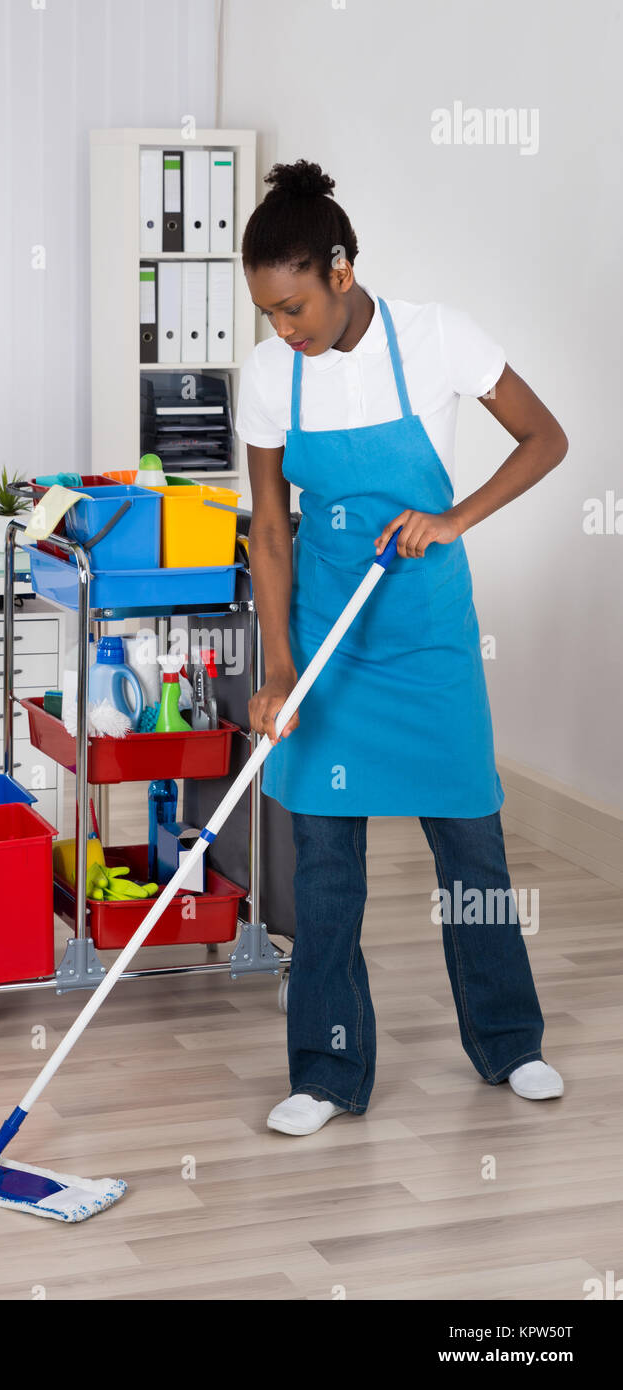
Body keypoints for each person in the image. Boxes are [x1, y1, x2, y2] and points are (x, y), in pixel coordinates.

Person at [237, 160, 568, 1136]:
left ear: (340, 270)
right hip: (327, 641)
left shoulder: (435, 338)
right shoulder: (269, 377)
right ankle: (327, 1069)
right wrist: (283, 668)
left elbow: (544, 437)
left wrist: (453, 516)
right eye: (268, 313)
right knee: (326, 862)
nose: (283, 330)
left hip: (425, 636)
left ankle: (510, 1040)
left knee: (470, 840)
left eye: (294, 305)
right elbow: (269, 528)